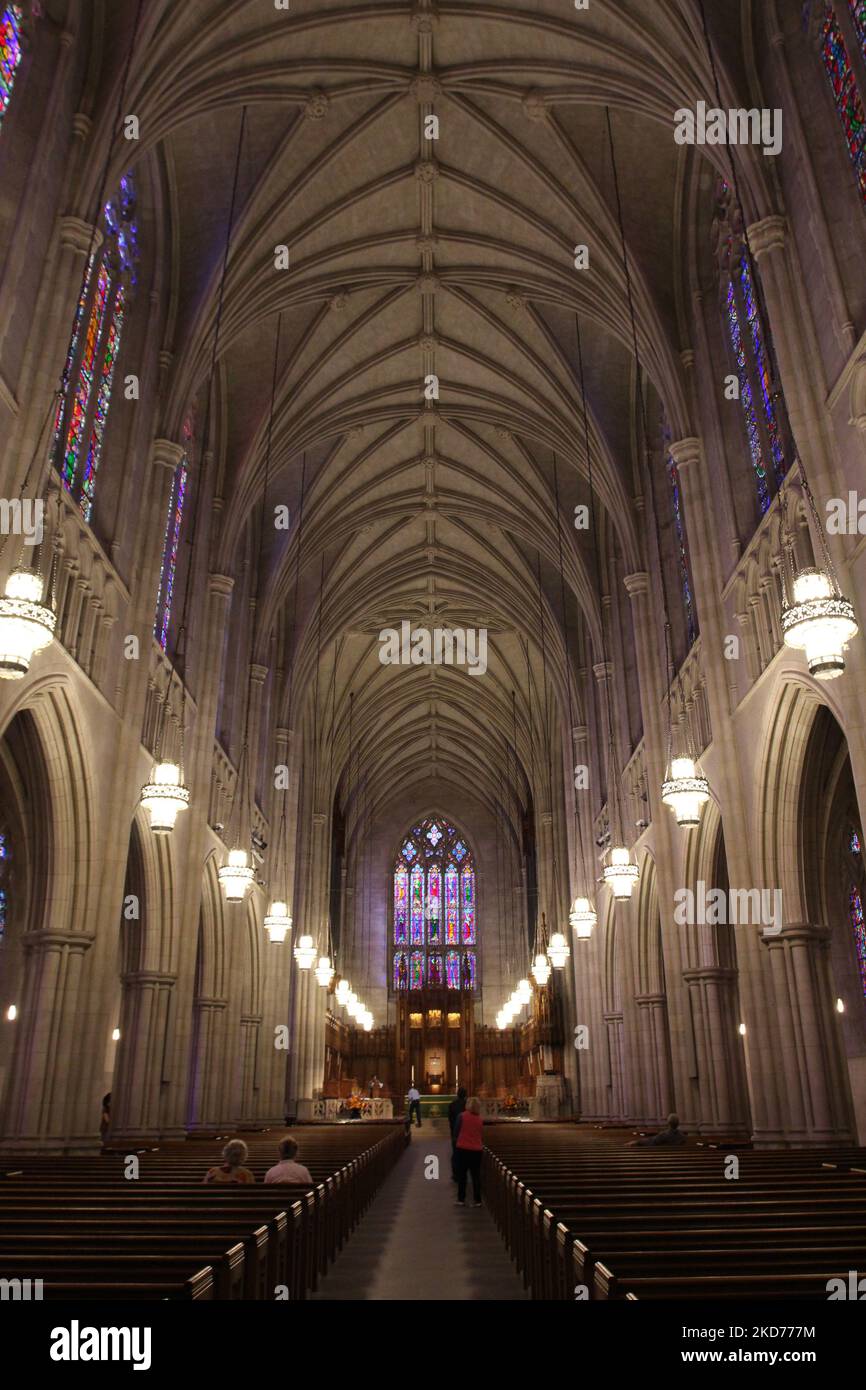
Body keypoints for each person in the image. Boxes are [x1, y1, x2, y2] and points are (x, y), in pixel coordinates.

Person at [453, 1095, 483, 1206]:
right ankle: (477, 1200)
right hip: (477, 1150)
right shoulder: (479, 1119)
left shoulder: (462, 1116)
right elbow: (480, 1133)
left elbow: (456, 1131)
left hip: (463, 1149)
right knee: (476, 1175)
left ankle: (461, 1199)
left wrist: (458, 1140)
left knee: (462, 1175)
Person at [448, 1087, 467, 1181]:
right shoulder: (468, 1105)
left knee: (456, 1154)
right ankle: (464, 1174)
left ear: (457, 1094)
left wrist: (453, 1131)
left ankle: (456, 1175)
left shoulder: (452, 1105)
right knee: (465, 1154)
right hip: (466, 1132)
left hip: (455, 1133)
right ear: (465, 1095)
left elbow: (450, 1120)